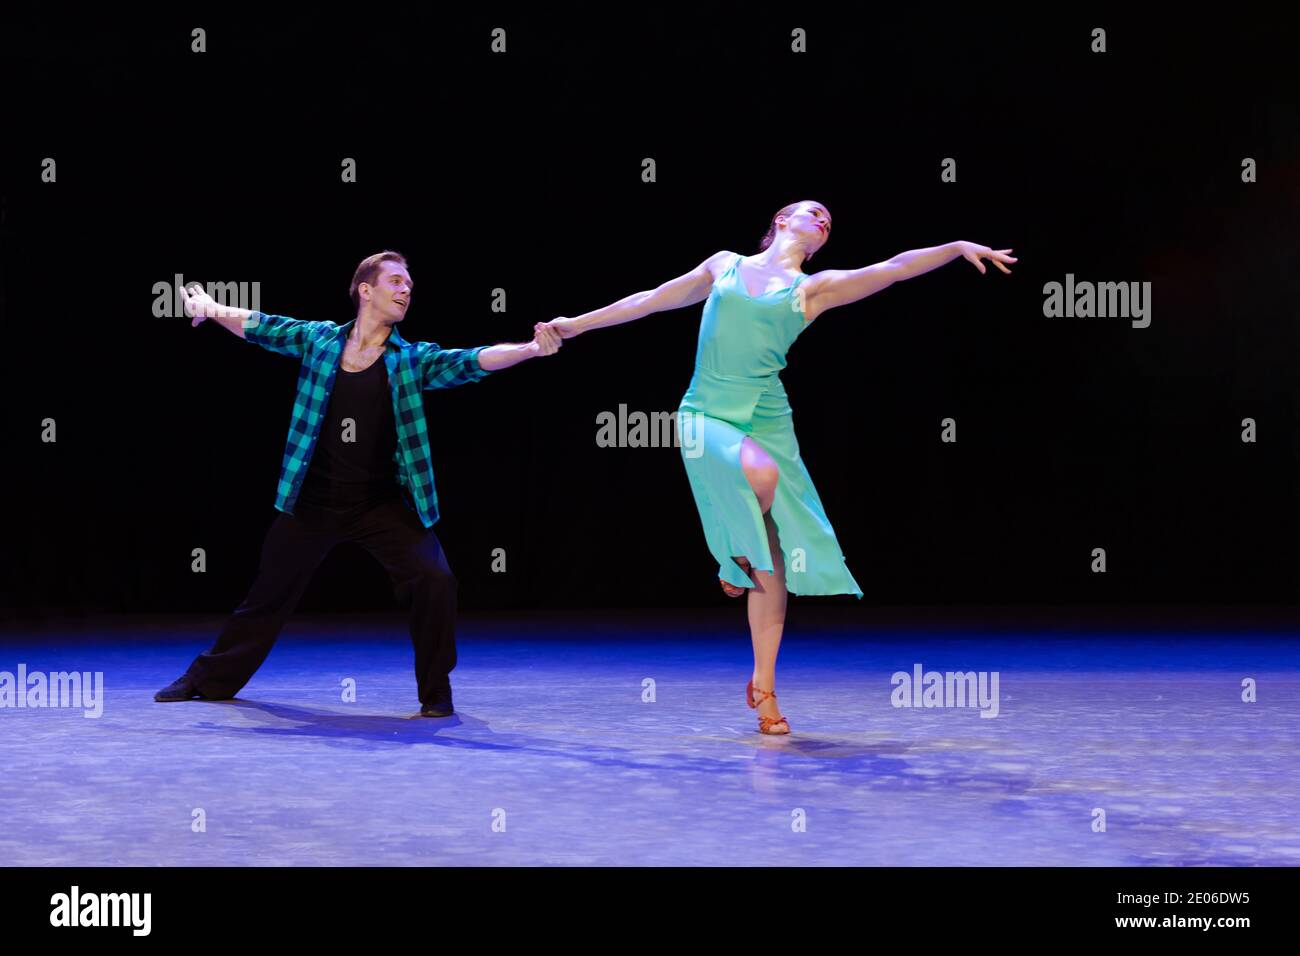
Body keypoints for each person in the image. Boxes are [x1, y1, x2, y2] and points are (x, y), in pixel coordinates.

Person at [542, 201, 1015, 733]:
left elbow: (894, 268)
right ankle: (730, 558)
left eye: (829, 222)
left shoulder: (813, 289)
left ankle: (764, 688)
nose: (823, 220)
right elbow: (651, 300)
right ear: (782, 220)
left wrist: (955, 249)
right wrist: (575, 324)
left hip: (767, 414)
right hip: (706, 411)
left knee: (774, 558)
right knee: (759, 483)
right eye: (813, 212)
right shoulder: (725, 264)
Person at [154, 251, 562, 716]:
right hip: (313, 499)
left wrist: (529, 349)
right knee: (267, 594)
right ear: (365, 290)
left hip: (379, 503)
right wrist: (209, 305)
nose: (406, 289)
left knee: (435, 579)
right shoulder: (320, 341)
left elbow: (472, 361)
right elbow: (260, 325)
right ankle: (208, 679)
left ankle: (436, 693)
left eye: (410, 283)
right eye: (395, 280)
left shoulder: (410, 360)